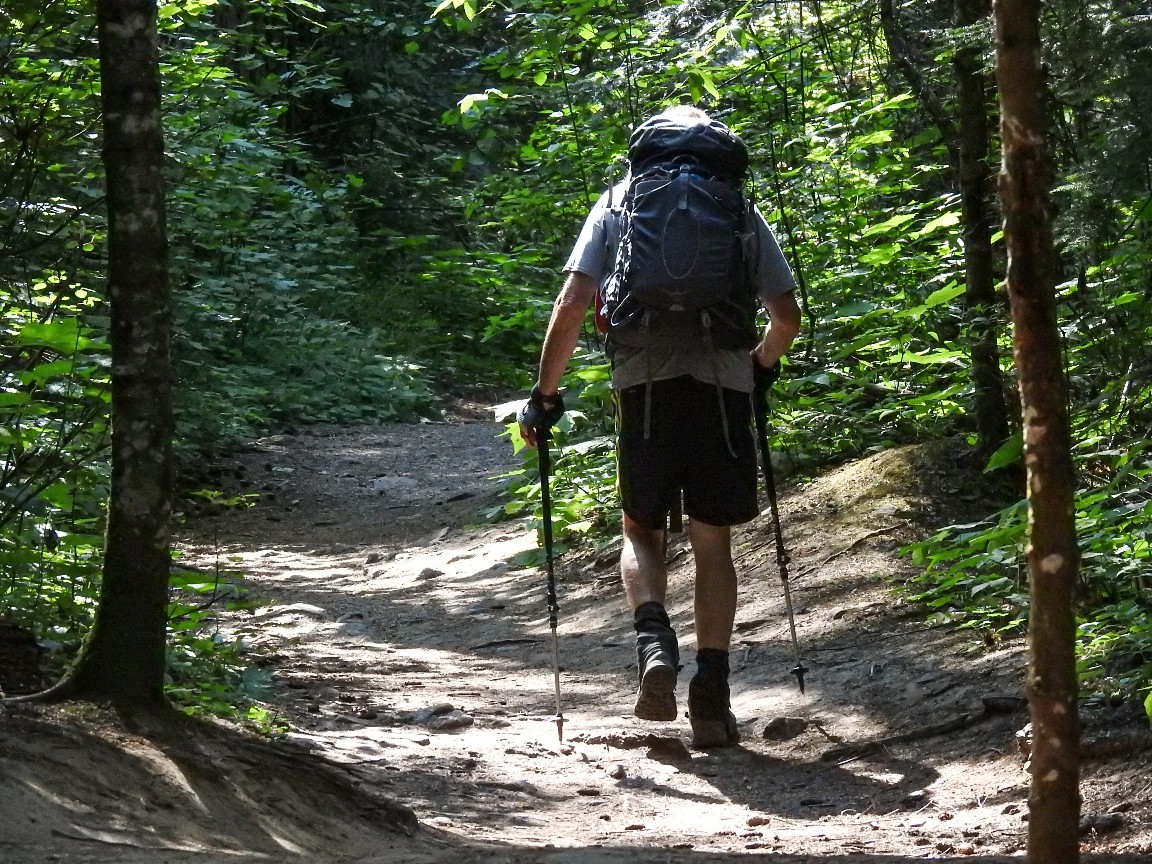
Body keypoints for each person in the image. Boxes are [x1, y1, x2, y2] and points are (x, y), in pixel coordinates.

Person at [518, 105, 801, 748]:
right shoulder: (736, 209)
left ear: (642, 150)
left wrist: (545, 394)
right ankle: (712, 696)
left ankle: (654, 646)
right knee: (712, 543)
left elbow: (571, 306)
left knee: (641, 528)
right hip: (723, 393)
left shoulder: (617, 204)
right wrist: (756, 367)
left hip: (643, 391)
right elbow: (785, 317)